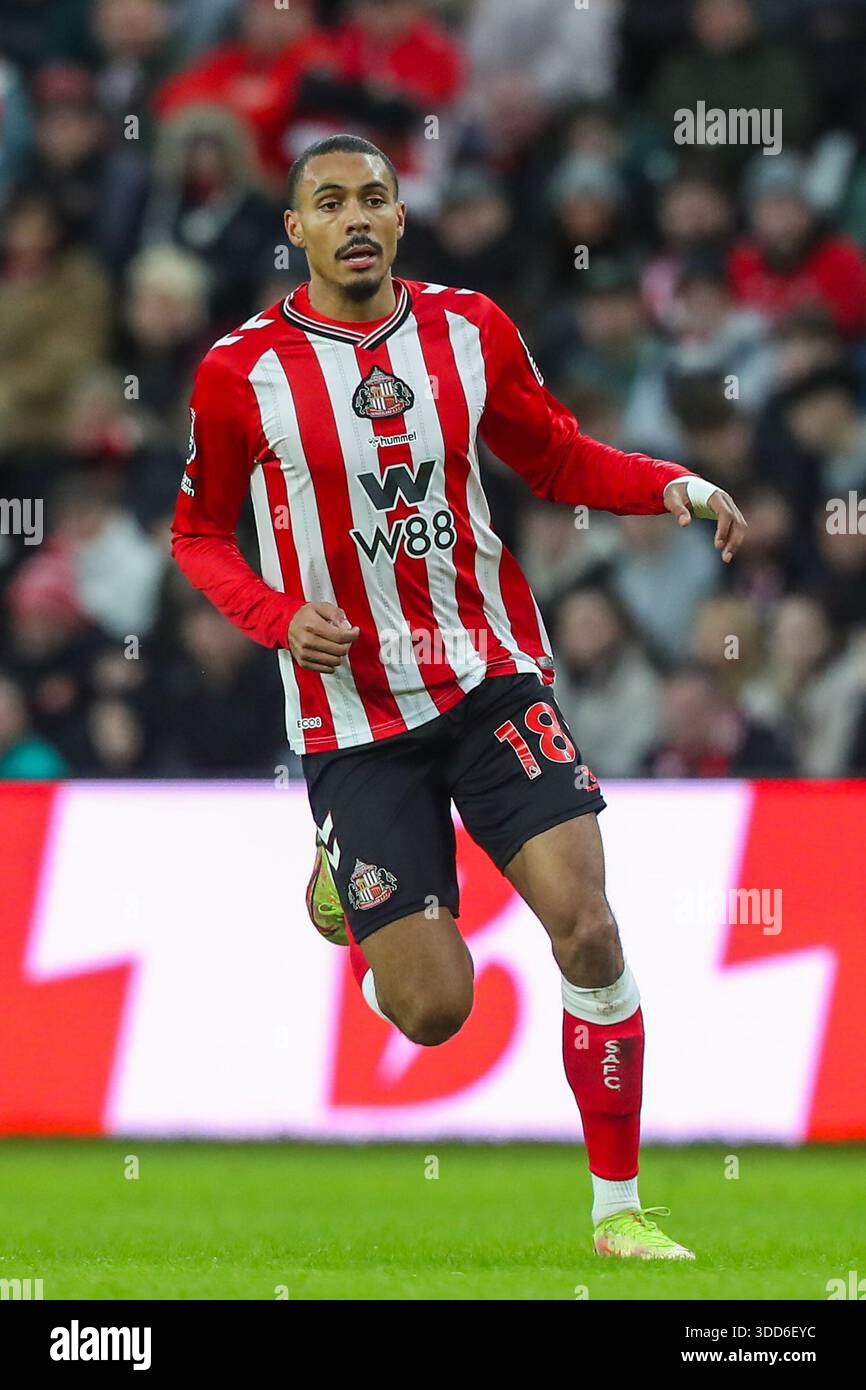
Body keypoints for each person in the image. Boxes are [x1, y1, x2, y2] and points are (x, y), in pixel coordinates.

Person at [171, 134, 747, 1260]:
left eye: (373, 199)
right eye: (327, 201)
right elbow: (198, 535)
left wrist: (665, 482)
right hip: (353, 724)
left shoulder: (470, 329)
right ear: (294, 232)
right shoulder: (239, 372)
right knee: (435, 1013)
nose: (353, 217)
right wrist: (281, 619)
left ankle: (616, 1211)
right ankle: (356, 887)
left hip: (488, 679)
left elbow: (554, 457)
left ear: (399, 220)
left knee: (585, 924)